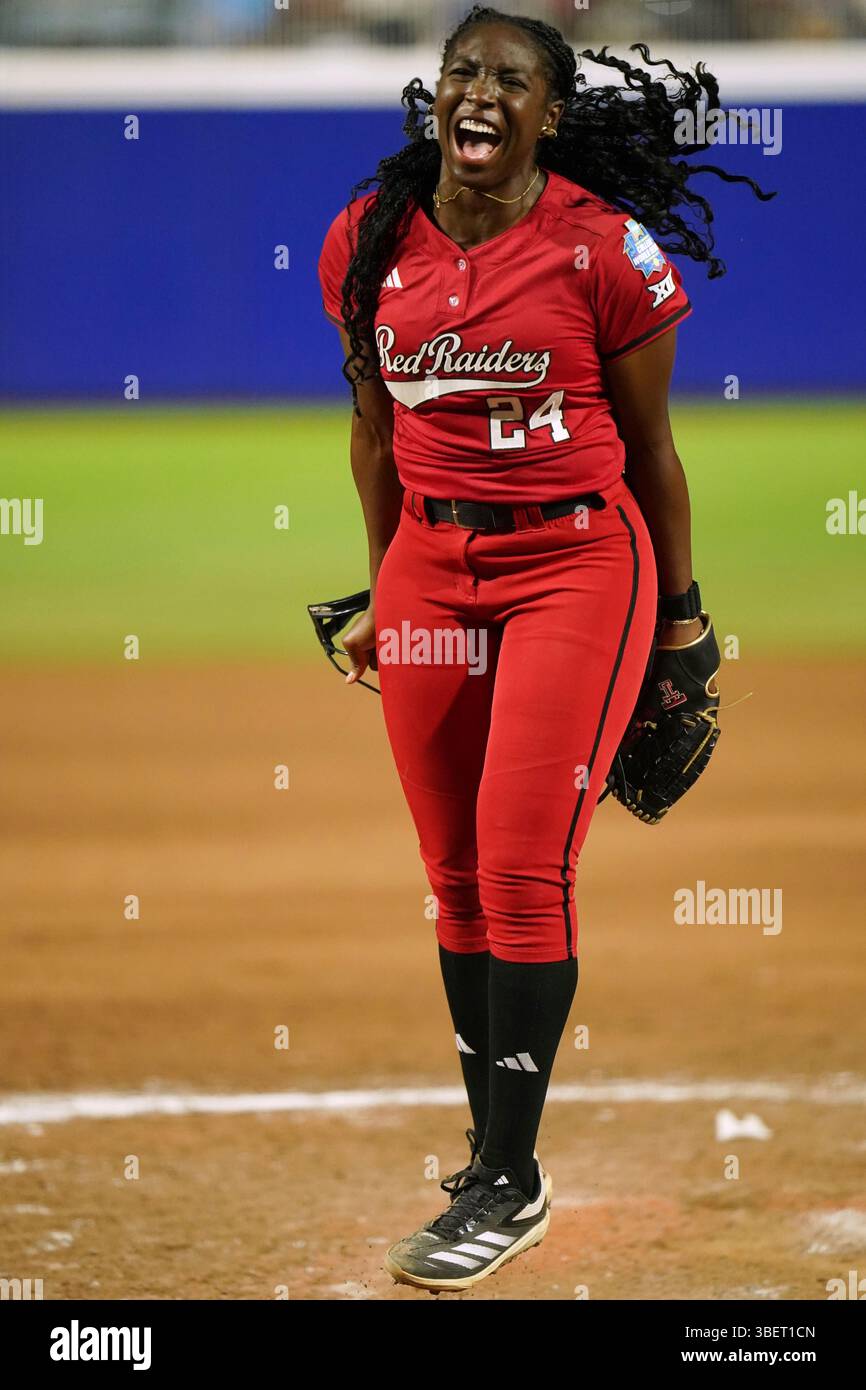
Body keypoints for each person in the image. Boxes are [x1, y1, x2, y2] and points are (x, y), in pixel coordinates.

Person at [317, 4, 770, 1292]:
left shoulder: (601, 251)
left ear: (547, 114)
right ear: (436, 91)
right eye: (460, 70)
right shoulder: (369, 242)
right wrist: (378, 583)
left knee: (524, 865)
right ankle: (489, 1151)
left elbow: (655, 455)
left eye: (508, 79)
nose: (477, 94)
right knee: (453, 871)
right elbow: (372, 433)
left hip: (576, 559)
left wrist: (680, 621)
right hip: (427, 570)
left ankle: (509, 1183)